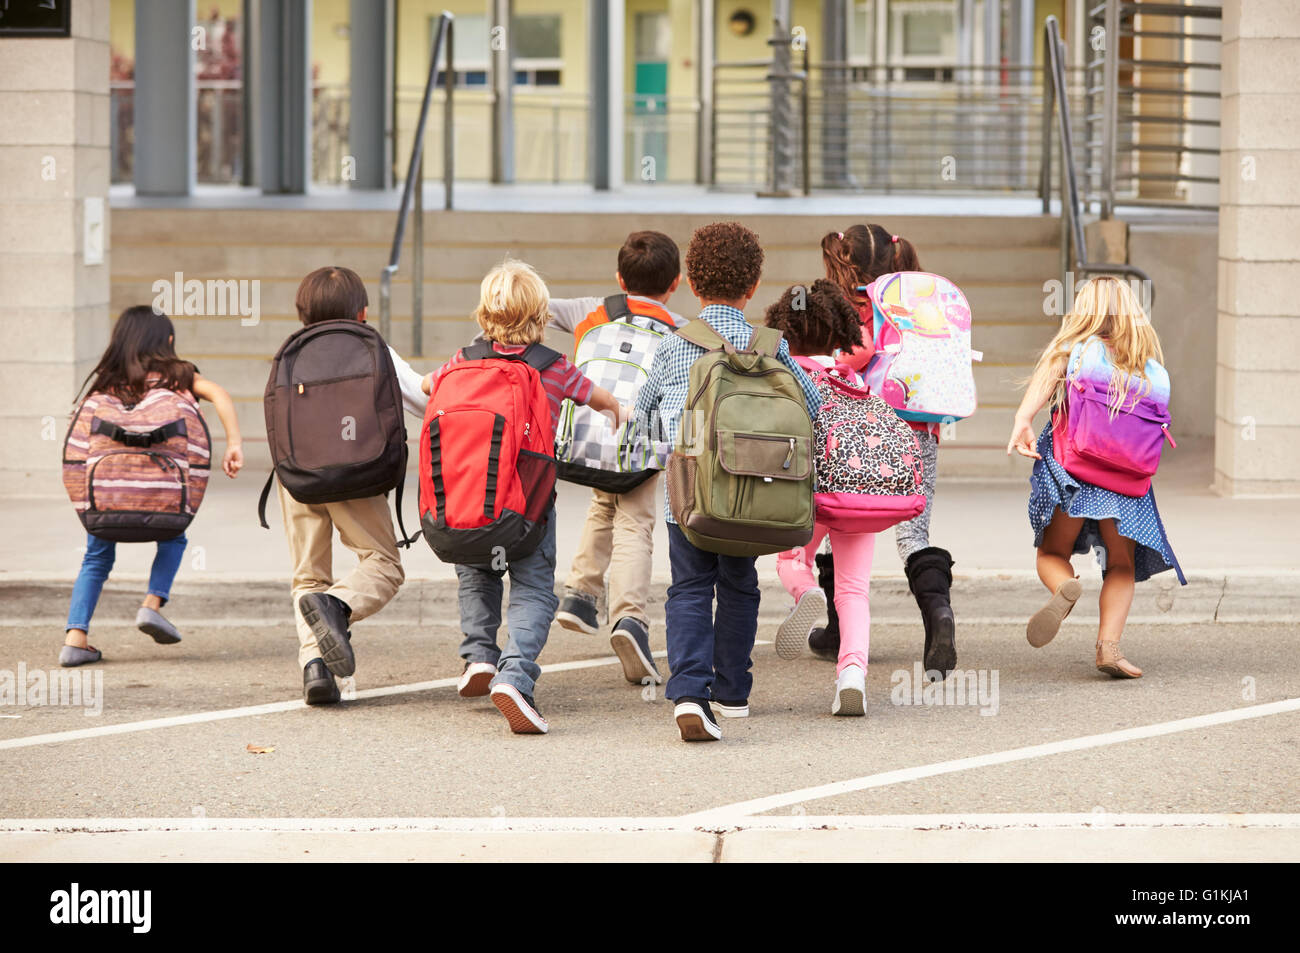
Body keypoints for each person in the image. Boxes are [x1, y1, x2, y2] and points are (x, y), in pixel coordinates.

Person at [633, 222, 821, 741]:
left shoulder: (676, 346)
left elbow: (643, 414)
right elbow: (815, 406)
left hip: (689, 498)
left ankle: (690, 692)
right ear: (753, 285)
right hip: (753, 493)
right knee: (739, 587)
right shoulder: (771, 347)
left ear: (692, 283)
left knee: (689, 588)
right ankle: (732, 692)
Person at [426, 260, 624, 734]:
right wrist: (616, 410)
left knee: (477, 574)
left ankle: (478, 655)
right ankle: (515, 676)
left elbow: (426, 386)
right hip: (527, 511)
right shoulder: (553, 368)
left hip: (468, 504)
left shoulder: (462, 360)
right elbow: (600, 399)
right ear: (540, 316)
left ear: (484, 314)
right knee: (533, 588)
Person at [1007, 276, 1185, 678]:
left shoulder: (1075, 350)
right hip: (1127, 480)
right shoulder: (1148, 365)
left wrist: (1022, 420)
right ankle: (1110, 649)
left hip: (1075, 470)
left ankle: (1063, 587)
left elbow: (1048, 375)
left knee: (1053, 553)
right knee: (1120, 564)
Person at [60, 306, 243, 667]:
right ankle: (152, 604)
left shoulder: (105, 382)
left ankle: (75, 638)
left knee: (96, 557)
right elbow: (219, 394)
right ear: (169, 341)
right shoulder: (180, 376)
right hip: (164, 497)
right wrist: (234, 442)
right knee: (174, 537)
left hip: (109, 496)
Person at [277, 266, 427, 705]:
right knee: (383, 564)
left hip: (298, 476)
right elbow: (423, 400)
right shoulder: (371, 347)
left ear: (302, 312)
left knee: (308, 577)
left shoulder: (292, 351)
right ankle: (338, 607)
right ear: (362, 312)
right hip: (357, 474)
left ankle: (315, 668)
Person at [549, 230, 687, 686]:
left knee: (603, 501)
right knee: (635, 525)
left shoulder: (591, 310)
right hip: (641, 440)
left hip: (587, 436)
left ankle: (580, 594)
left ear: (618, 278)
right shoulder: (680, 329)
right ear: (676, 283)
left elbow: (536, 306)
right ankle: (630, 620)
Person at [818, 225, 957, 678]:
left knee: (843, 520)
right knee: (914, 536)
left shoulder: (855, 311)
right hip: (917, 431)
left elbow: (851, 357)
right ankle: (939, 615)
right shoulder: (917, 307)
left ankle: (840, 628)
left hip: (862, 432)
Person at [766, 280, 880, 715]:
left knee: (791, 561)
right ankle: (852, 675)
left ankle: (805, 591)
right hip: (854, 496)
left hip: (802, 493)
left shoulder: (784, 375)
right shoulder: (853, 379)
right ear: (838, 334)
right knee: (854, 589)